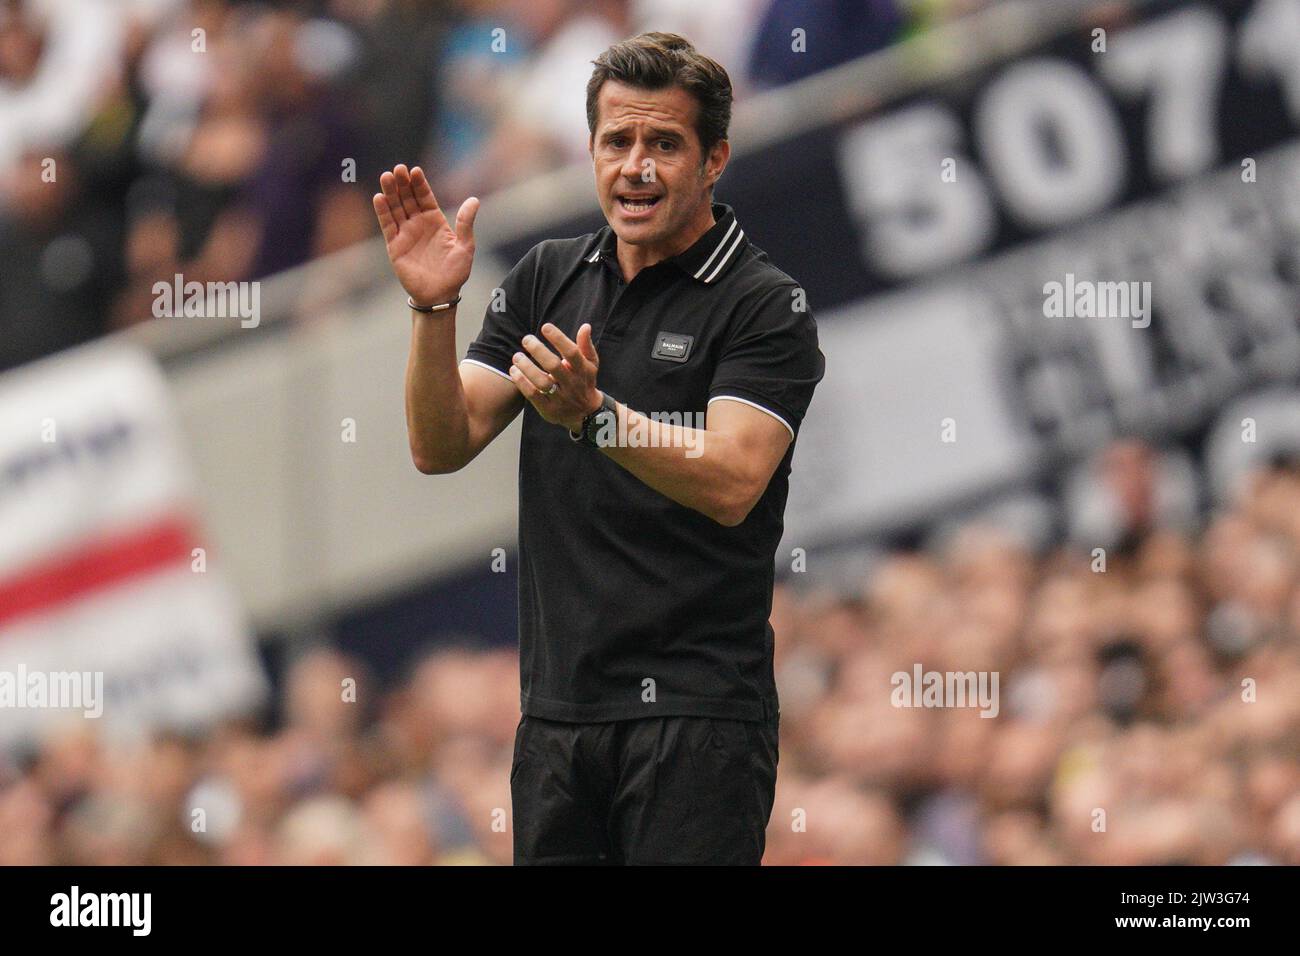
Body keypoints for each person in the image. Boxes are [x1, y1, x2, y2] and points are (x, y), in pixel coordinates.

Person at [372, 31, 824, 865]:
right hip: (557, 719)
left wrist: (594, 418)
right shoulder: (547, 275)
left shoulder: (764, 304)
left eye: (664, 144)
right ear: (591, 150)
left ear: (714, 158)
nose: (636, 167)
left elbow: (732, 478)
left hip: (697, 720)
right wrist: (434, 313)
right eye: (617, 142)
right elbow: (442, 443)